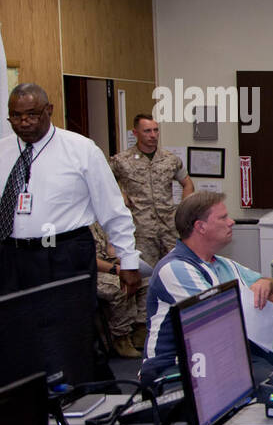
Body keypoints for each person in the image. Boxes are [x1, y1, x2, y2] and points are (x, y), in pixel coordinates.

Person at [2, 83, 141, 303]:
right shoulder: (3, 151)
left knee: (67, 331)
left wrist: (129, 261)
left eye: (32, 115)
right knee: (16, 332)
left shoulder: (81, 150)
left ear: (49, 110)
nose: (24, 122)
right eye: (15, 116)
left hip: (64, 255)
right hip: (12, 257)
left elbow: (112, 209)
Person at [140, 191, 273, 384]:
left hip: (218, 358)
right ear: (201, 227)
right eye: (223, 218)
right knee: (268, 386)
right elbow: (217, 320)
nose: (231, 222)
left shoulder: (223, 264)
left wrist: (267, 283)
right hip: (175, 366)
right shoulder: (174, 268)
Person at [110, 113, 194, 350]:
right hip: (140, 228)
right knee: (142, 281)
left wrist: (184, 211)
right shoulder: (121, 160)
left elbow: (187, 183)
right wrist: (120, 194)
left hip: (168, 228)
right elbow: (105, 182)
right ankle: (139, 329)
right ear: (135, 133)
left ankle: (178, 326)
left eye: (156, 130)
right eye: (147, 131)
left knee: (176, 273)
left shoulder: (169, 159)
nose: (153, 135)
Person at [91, 223, 138, 359]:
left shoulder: (98, 220)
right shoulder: (75, 224)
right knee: (119, 287)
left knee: (142, 279)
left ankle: (138, 331)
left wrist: (126, 263)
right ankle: (120, 337)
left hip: (107, 264)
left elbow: (110, 249)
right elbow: (88, 260)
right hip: (90, 272)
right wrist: (116, 269)